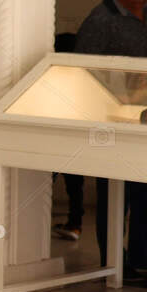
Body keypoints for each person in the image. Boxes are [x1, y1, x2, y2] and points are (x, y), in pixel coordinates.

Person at [74, 0, 147, 277]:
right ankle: (113, 262)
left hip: (146, 117)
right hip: (112, 119)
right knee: (115, 194)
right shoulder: (99, 21)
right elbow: (84, 72)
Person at [51, 30, 85, 242]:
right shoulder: (81, 77)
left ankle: (74, 222)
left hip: (58, 137)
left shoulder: (53, 78)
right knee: (74, 180)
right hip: (76, 135)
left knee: (51, 177)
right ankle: (75, 222)